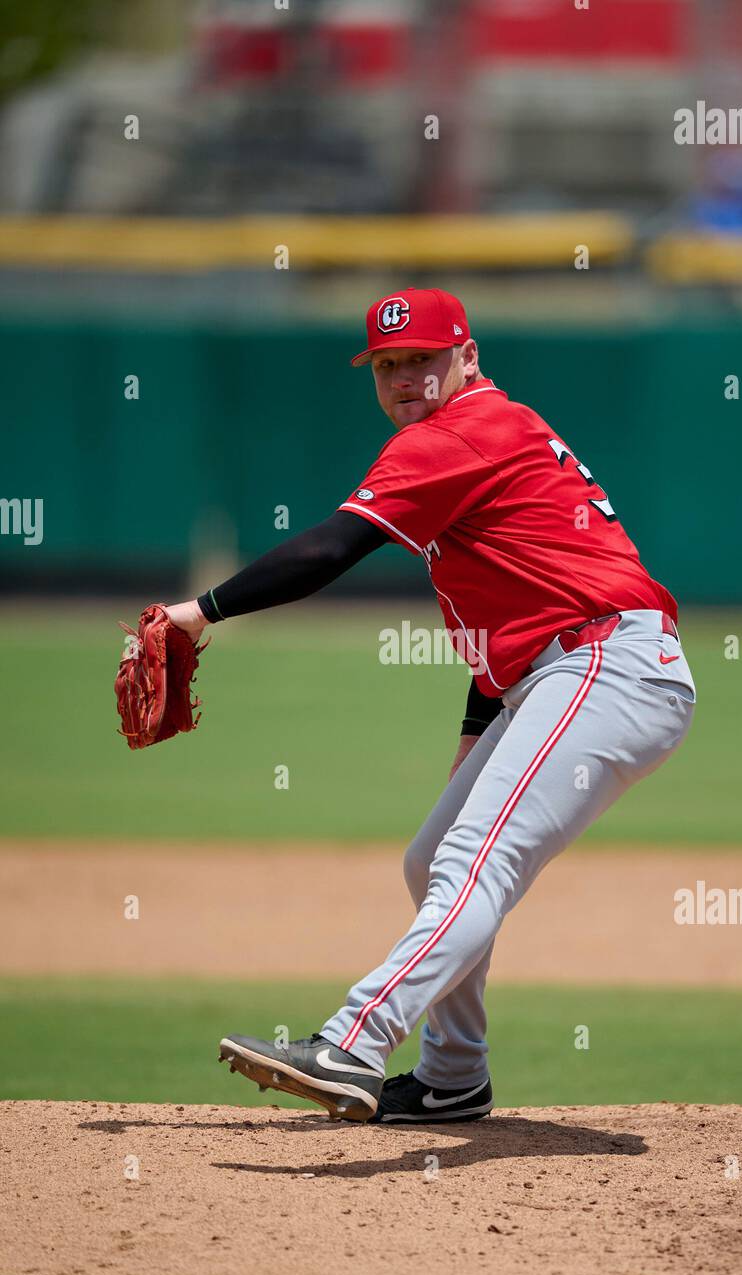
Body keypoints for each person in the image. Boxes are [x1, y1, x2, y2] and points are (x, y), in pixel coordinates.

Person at [164, 286, 697, 1125]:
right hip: (572, 667)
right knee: (434, 858)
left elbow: (336, 545)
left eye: (423, 359)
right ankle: (454, 1078)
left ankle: (352, 1042)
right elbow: (514, 610)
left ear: (468, 356)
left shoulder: (457, 435)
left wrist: (205, 613)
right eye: (388, 365)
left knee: (470, 865)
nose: (406, 378)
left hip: (606, 664)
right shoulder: (488, 432)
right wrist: (475, 738)